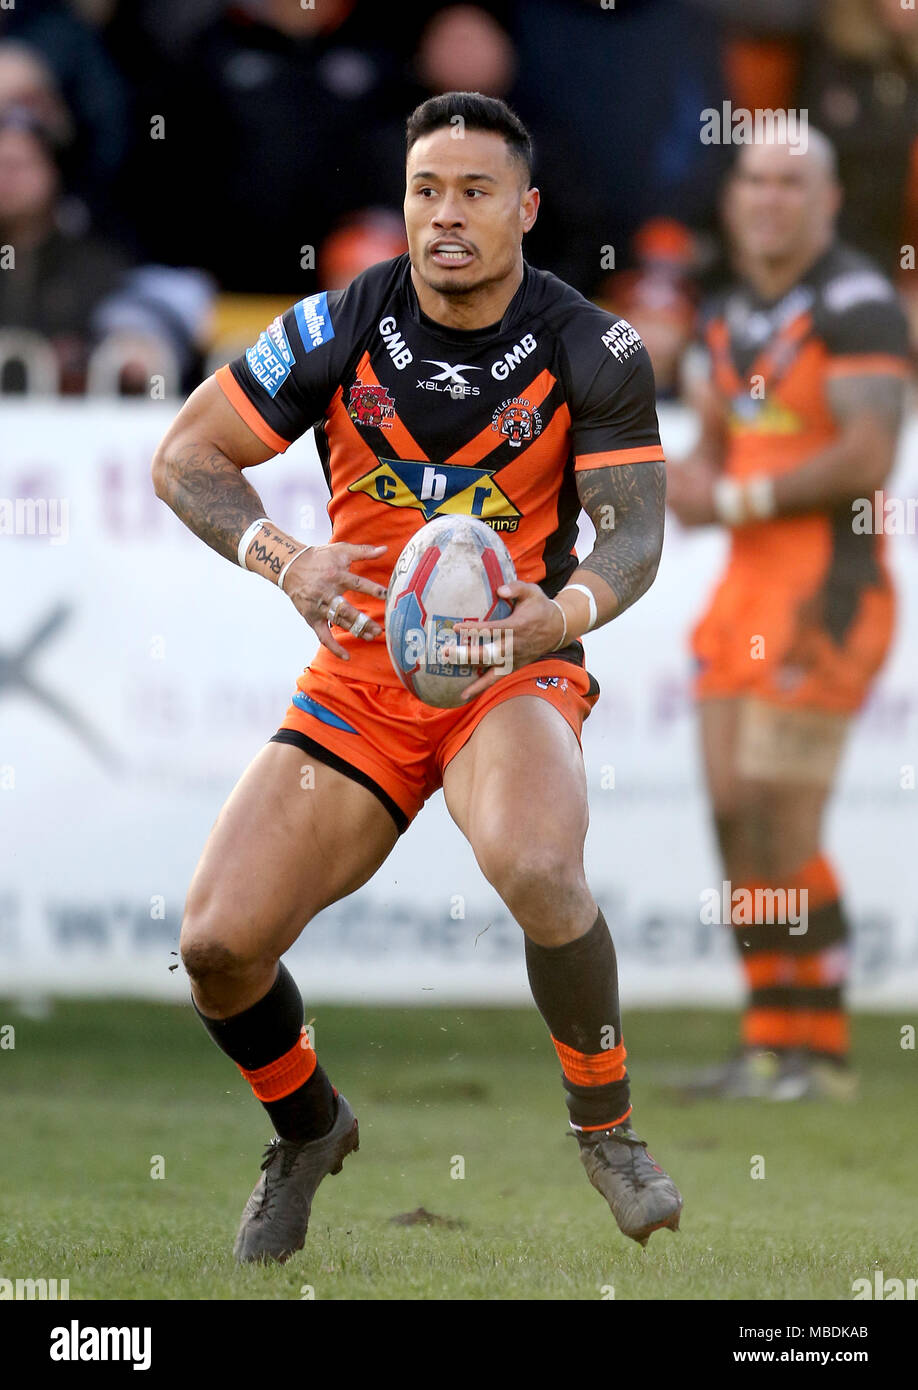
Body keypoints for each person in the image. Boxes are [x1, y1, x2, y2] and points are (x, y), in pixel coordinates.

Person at [152, 91, 682, 1263]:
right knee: (217, 947)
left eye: (474, 192)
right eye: (425, 192)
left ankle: (608, 1129)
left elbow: (637, 536)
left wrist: (563, 613)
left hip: (510, 668)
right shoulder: (339, 322)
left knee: (541, 863)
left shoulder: (592, 346)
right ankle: (307, 1128)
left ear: (526, 209)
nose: (445, 216)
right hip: (360, 680)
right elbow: (185, 456)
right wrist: (283, 559)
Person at [667, 131, 911, 1100]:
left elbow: (868, 456)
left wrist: (735, 502)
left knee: (781, 808)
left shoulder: (857, 302)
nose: (770, 200)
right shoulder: (725, 311)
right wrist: (673, 486)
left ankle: (827, 1051)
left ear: (827, 199)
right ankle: (770, 1042)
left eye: (791, 183)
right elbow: (714, 450)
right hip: (741, 591)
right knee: (732, 814)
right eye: (755, 180)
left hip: (829, 591)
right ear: (733, 198)